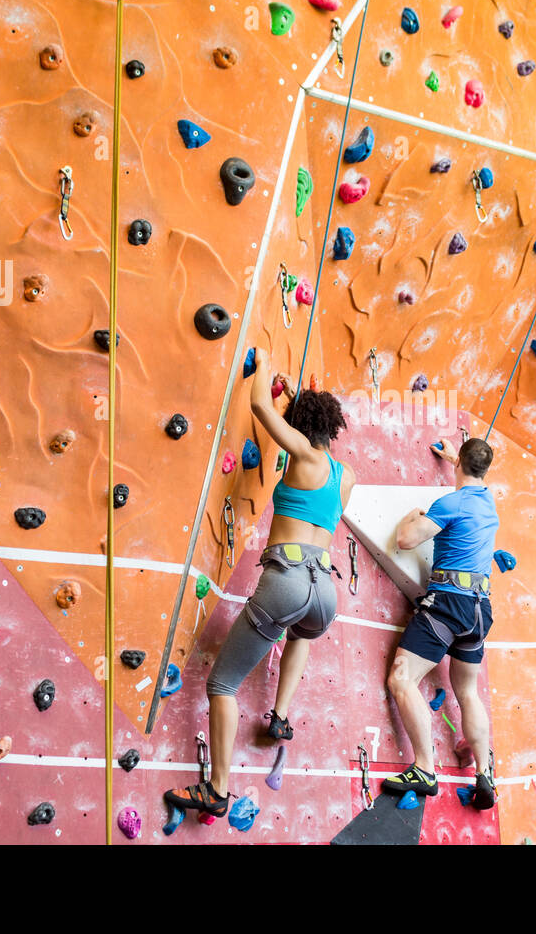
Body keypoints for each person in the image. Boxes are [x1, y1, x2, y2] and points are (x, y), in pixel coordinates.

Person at [164, 348, 355, 819]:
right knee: (300, 635)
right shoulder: (345, 475)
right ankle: (281, 715)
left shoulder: (303, 455)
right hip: (324, 594)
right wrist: (299, 397)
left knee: (223, 684)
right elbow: (314, 441)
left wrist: (265, 364)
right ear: (331, 428)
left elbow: (259, 408)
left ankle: (219, 788)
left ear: (302, 426)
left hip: (286, 578)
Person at [382, 436, 500, 809]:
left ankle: (424, 768)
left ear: (462, 462)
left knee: (402, 678)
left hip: (449, 603)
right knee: (467, 692)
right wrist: (457, 458)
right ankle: (485, 774)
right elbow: (472, 479)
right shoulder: (488, 503)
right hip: (480, 610)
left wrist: (412, 516)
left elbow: (405, 539)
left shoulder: (450, 503)